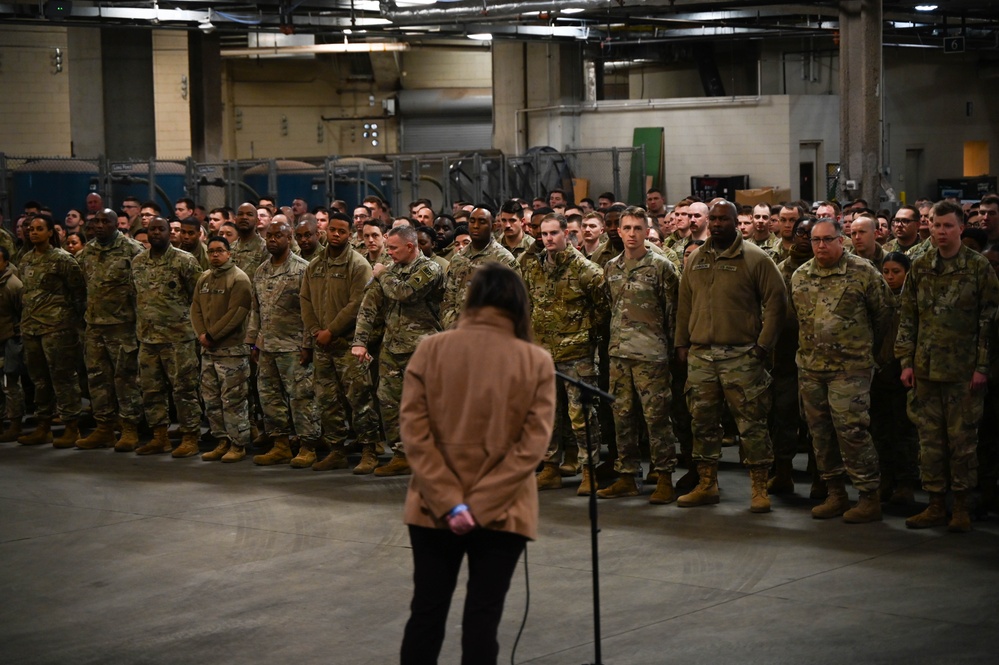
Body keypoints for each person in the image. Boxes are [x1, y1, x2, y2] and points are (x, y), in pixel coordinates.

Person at [398, 263, 556, 665]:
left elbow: (414, 434)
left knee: (426, 614)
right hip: (503, 513)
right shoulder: (535, 360)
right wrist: (479, 506)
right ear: (519, 304)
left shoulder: (430, 348)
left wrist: (451, 502)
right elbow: (531, 448)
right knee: (482, 621)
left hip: (433, 510)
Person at [675, 201, 787, 513]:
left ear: (737, 221)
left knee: (752, 424)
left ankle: (759, 488)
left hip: (742, 355)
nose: (718, 224)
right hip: (701, 356)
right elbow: (685, 304)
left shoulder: (755, 258)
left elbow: (777, 303)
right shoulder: (696, 258)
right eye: (714, 219)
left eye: (724, 219)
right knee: (702, 422)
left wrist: (763, 346)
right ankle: (707, 484)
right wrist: (681, 343)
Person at [896, 200, 999, 532]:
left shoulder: (978, 268)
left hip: (963, 373)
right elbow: (908, 318)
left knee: (963, 443)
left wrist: (982, 367)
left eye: (948, 226)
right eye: (937, 226)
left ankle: (962, 507)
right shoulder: (921, 266)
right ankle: (936, 504)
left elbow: (989, 321)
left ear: (960, 227)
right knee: (930, 443)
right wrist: (906, 362)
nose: (941, 232)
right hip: (925, 371)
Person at [790, 218, 891, 523]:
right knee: (820, 434)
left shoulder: (862, 272)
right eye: (815, 240)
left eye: (826, 239)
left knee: (853, 432)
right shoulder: (800, 275)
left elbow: (884, 315)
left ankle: (868, 496)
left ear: (841, 240)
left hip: (850, 368)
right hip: (811, 368)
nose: (820, 245)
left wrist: (866, 353)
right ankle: (836, 493)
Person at [597, 207, 681, 503]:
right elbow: (610, 307)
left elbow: (673, 312)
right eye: (627, 228)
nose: (632, 234)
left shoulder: (661, 267)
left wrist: (669, 351)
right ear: (618, 231)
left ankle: (664, 476)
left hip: (651, 355)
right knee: (622, 417)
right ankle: (627, 476)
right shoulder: (611, 267)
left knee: (657, 419)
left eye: (637, 228)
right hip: (619, 354)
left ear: (647, 232)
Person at [353, 225, 444, 476]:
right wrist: (359, 341)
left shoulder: (429, 268)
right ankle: (402, 454)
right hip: (392, 347)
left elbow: (405, 292)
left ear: (410, 247)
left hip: (422, 348)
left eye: (393, 248)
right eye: (388, 247)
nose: (388, 252)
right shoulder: (389, 270)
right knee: (389, 402)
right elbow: (368, 306)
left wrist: (382, 275)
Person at [246, 220, 320, 466]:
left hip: (294, 346)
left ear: (290, 240)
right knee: (269, 397)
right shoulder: (261, 270)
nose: (273, 239)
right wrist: (254, 342)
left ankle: (308, 445)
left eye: (279, 235)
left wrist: (308, 344)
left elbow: (311, 311)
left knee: (301, 397)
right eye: (269, 235)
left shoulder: (303, 269)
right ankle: (280, 444)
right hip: (268, 346)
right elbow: (256, 310)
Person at [131, 217, 204, 457]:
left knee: (184, 390)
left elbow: (199, 298)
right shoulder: (138, 262)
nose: (155, 233)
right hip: (148, 337)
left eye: (161, 229)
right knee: (151, 390)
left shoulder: (185, 261)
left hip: (179, 338)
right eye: (151, 229)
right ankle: (159, 437)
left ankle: (190, 436)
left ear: (168, 232)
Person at [74, 208, 145, 452]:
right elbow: (82, 287)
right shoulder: (87, 252)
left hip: (123, 327)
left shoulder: (132, 250)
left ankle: (129, 428)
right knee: (97, 378)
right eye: (97, 221)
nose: (100, 225)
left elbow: (143, 291)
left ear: (117, 224)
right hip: (95, 326)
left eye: (106, 221)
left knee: (125, 380)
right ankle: (104, 428)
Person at [17, 214, 87, 447]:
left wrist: (71, 323)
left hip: (58, 328)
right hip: (31, 327)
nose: (33, 232)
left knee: (63, 378)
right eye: (31, 229)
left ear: (50, 233)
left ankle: (71, 428)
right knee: (39, 380)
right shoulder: (25, 259)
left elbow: (78, 293)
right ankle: (43, 426)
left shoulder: (63, 259)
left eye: (39, 229)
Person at [191, 237, 254, 462]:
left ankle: (238, 444)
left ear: (229, 253)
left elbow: (237, 313)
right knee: (211, 399)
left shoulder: (239, 279)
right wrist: (201, 334)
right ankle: (222, 440)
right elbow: (195, 308)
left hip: (232, 351)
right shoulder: (204, 278)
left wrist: (212, 335)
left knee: (233, 400)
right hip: (209, 351)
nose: (215, 255)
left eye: (220, 251)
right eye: (211, 252)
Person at [0, 246, 24, 442]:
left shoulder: (13, 285)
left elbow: (21, 312)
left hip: (11, 339)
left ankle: (15, 423)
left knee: (11, 383)